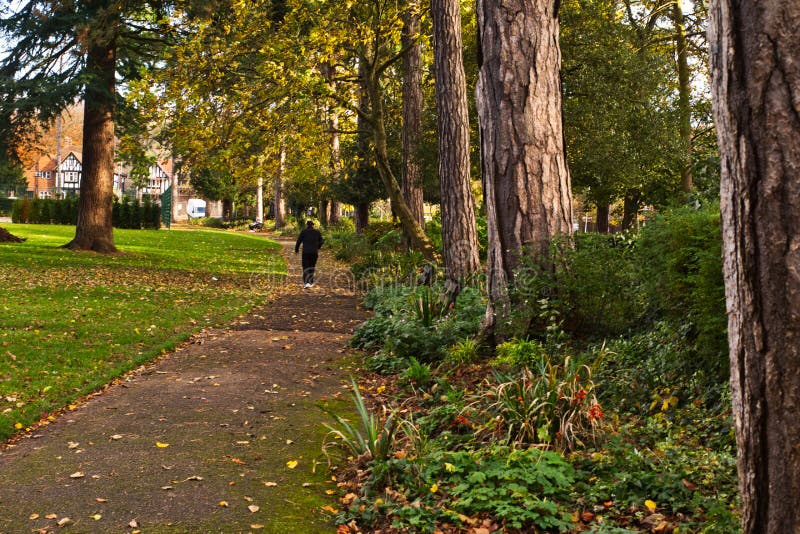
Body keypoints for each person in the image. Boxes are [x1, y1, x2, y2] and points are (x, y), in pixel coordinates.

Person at [295, 220, 323, 288]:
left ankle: (306, 282)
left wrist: (296, 249)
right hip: (314, 252)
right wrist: (318, 247)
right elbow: (322, 241)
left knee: (305, 267)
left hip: (305, 252)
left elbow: (299, 241)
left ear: (307, 225)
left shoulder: (304, 232)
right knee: (312, 267)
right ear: (313, 225)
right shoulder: (317, 232)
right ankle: (311, 282)